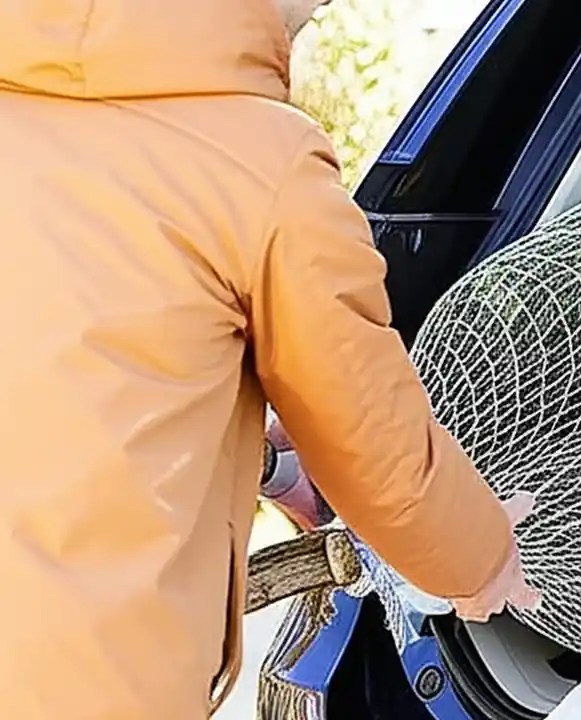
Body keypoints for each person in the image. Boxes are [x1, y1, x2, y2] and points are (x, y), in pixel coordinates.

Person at [0, 0, 538, 717]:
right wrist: (482, 561)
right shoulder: (260, 163)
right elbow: (374, 441)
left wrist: (250, 452)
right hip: (87, 674)